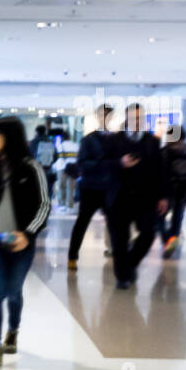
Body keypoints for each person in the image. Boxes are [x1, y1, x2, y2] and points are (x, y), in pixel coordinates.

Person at [0, 117, 50, 370]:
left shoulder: (31, 168)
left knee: (13, 291)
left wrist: (28, 234)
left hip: (21, 243)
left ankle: (13, 330)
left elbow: (44, 205)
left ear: (10, 137)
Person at [107, 103, 168, 289]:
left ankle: (130, 264)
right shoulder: (114, 140)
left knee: (148, 235)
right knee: (119, 240)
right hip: (119, 197)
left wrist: (163, 196)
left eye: (140, 118)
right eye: (133, 118)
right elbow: (103, 166)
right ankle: (122, 277)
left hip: (146, 198)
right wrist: (120, 163)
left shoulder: (153, 141)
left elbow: (161, 170)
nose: (137, 122)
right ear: (127, 119)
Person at [67, 105, 120, 271]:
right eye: (102, 115)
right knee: (82, 223)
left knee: (114, 224)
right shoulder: (88, 140)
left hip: (109, 188)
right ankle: (72, 257)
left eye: (107, 115)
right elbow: (82, 163)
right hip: (91, 188)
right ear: (97, 117)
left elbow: (120, 165)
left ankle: (119, 256)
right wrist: (106, 164)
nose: (105, 118)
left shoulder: (117, 139)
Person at [159, 125, 186, 257]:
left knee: (160, 219)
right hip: (183, 190)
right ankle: (171, 241)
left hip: (167, 191)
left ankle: (167, 241)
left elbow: (160, 174)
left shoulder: (164, 152)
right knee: (177, 220)